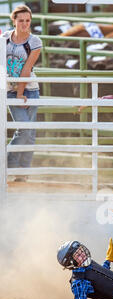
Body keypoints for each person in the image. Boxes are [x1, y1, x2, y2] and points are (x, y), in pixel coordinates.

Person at [2, 5, 42, 179]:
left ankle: (22, 174)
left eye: (27, 21)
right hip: (10, 90)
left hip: (30, 89)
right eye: (21, 21)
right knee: (24, 129)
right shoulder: (4, 39)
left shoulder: (35, 42)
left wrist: (20, 92)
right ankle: (7, 164)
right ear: (14, 21)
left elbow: (27, 68)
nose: (25, 24)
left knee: (29, 133)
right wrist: (14, 92)